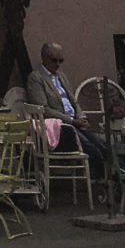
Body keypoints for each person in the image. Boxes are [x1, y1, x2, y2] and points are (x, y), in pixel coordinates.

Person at [25, 43, 106, 171]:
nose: (57, 64)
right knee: (91, 149)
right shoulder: (36, 78)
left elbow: (74, 101)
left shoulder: (61, 76)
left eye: (60, 61)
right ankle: (99, 179)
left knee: (102, 144)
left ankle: (121, 174)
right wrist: (71, 121)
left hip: (75, 122)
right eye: (54, 60)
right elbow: (44, 109)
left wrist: (81, 116)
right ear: (44, 57)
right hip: (59, 126)